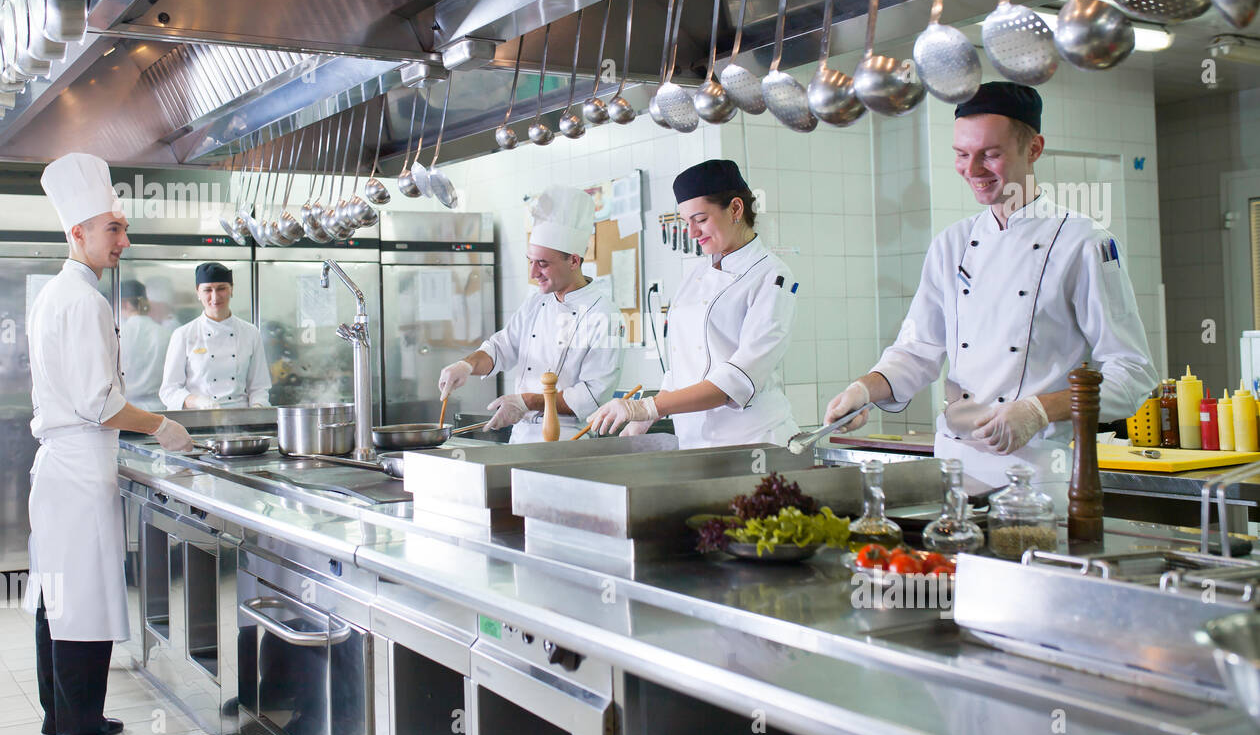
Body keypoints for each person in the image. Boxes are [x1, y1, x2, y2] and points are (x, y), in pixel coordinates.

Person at [822, 82, 1158, 500]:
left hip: (1038, 475)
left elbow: (1133, 374)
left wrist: (1038, 411)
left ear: (1034, 148)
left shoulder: (1085, 244)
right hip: (954, 470)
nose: (972, 169)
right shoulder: (951, 244)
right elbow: (918, 350)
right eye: (962, 155)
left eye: (991, 154)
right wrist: (863, 390)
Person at [26, 152, 194, 735]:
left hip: (63, 469)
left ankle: (68, 718)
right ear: (79, 232)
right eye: (113, 228)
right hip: (75, 471)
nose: (124, 238)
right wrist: (160, 426)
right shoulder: (84, 301)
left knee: (61, 600)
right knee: (80, 605)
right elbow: (99, 404)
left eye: (122, 227)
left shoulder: (59, 293)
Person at [585, 160, 799, 448]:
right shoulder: (696, 274)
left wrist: (651, 407)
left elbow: (737, 379)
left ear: (736, 208)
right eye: (686, 222)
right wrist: (649, 411)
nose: (692, 233)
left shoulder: (773, 276)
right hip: (695, 441)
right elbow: (682, 365)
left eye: (700, 219)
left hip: (753, 441)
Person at [437, 186, 622, 442]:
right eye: (530, 261)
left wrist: (526, 402)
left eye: (543, 264)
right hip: (521, 437)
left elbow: (592, 395)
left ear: (574, 261)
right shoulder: (537, 301)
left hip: (566, 441)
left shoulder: (604, 313)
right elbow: (502, 348)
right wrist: (467, 365)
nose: (533, 273)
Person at [159, 262, 272, 409]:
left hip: (242, 418)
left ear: (231, 289)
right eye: (207, 290)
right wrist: (197, 401)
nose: (215, 296)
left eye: (221, 288)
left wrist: (258, 407)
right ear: (198, 293)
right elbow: (169, 391)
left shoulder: (250, 333)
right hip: (198, 419)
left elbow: (259, 387)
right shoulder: (183, 335)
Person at [119, 279, 170, 411]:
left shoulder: (118, 334)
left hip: (127, 410)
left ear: (125, 304)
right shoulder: (165, 333)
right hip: (160, 409)